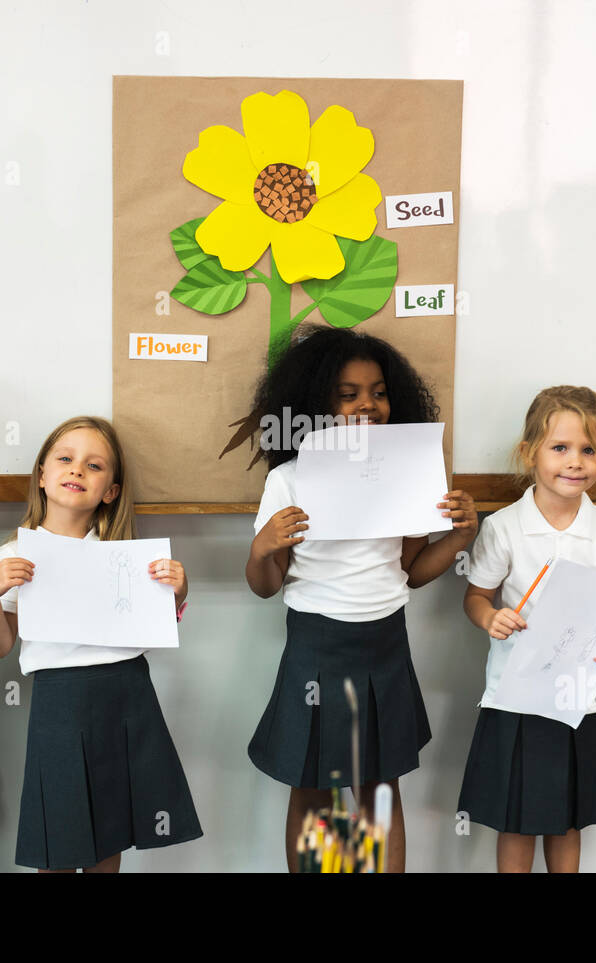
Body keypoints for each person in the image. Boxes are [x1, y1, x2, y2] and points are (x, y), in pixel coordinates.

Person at [244, 326, 477, 872]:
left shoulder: (410, 476)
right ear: (314, 403)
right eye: (347, 394)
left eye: (377, 391)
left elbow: (413, 572)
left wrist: (460, 536)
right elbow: (265, 583)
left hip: (385, 642)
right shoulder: (288, 479)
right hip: (316, 646)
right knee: (314, 788)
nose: (367, 405)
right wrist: (261, 548)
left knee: (378, 789)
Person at [0, 415, 201, 872]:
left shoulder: (126, 556)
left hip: (126, 698)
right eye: (65, 459)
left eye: (94, 465)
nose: (77, 470)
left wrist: (179, 593)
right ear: (42, 474)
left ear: (111, 491)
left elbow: (156, 628)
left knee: (109, 837)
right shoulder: (15, 555)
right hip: (59, 705)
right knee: (57, 839)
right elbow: (0, 646)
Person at [459, 385, 596, 872]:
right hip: (518, 695)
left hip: (582, 699)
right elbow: (476, 597)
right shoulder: (503, 526)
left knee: (568, 821)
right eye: (559, 448)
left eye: (589, 450)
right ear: (529, 454)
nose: (575, 461)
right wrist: (490, 617)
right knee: (516, 822)